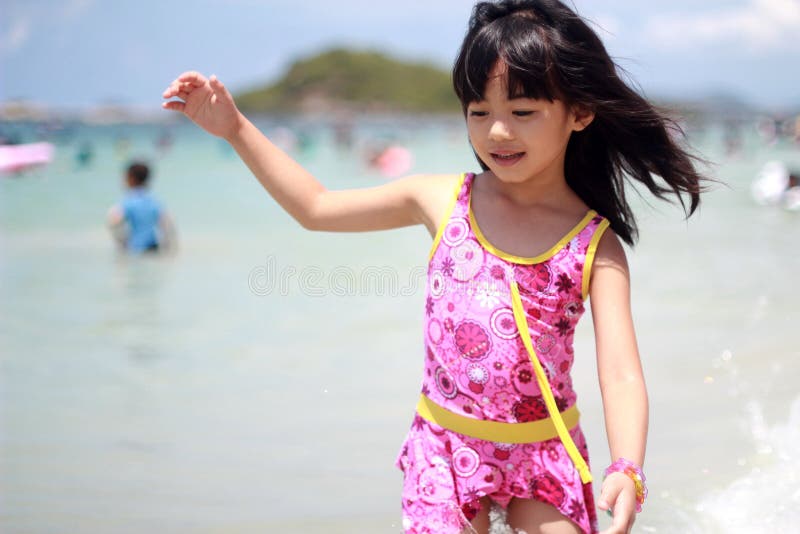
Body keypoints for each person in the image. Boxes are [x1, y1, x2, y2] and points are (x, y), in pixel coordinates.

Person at [161, 1, 705, 532]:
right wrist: (235, 128)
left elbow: (620, 371)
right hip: (444, 447)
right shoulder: (442, 200)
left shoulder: (594, 244)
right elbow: (316, 207)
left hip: (544, 452)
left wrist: (627, 467)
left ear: (579, 113)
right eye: (479, 112)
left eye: (521, 112)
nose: (497, 132)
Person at [107, 162, 176, 254]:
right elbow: (168, 227)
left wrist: (122, 243)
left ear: (131, 178)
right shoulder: (155, 202)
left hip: (135, 248)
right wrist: (168, 248)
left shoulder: (128, 202)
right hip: (153, 247)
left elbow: (113, 223)